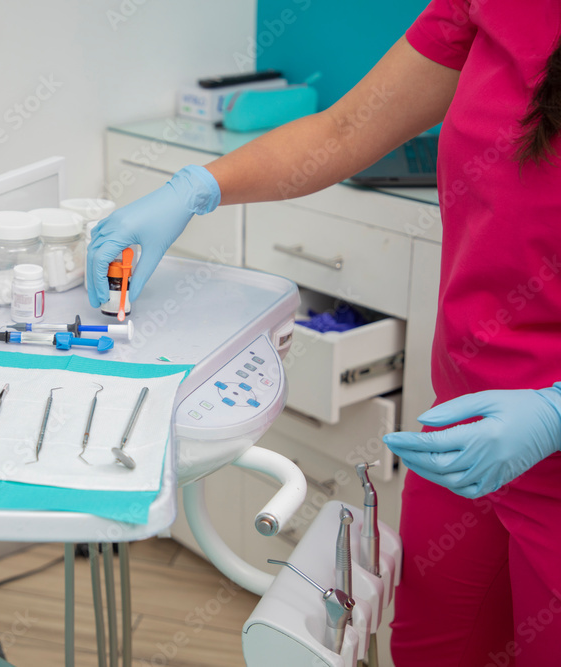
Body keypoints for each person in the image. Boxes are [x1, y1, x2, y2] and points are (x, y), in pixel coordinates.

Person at [87, 1, 561, 664]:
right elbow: (342, 132)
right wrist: (196, 188)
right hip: (462, 431)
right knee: (433, 648)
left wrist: (554, 409)